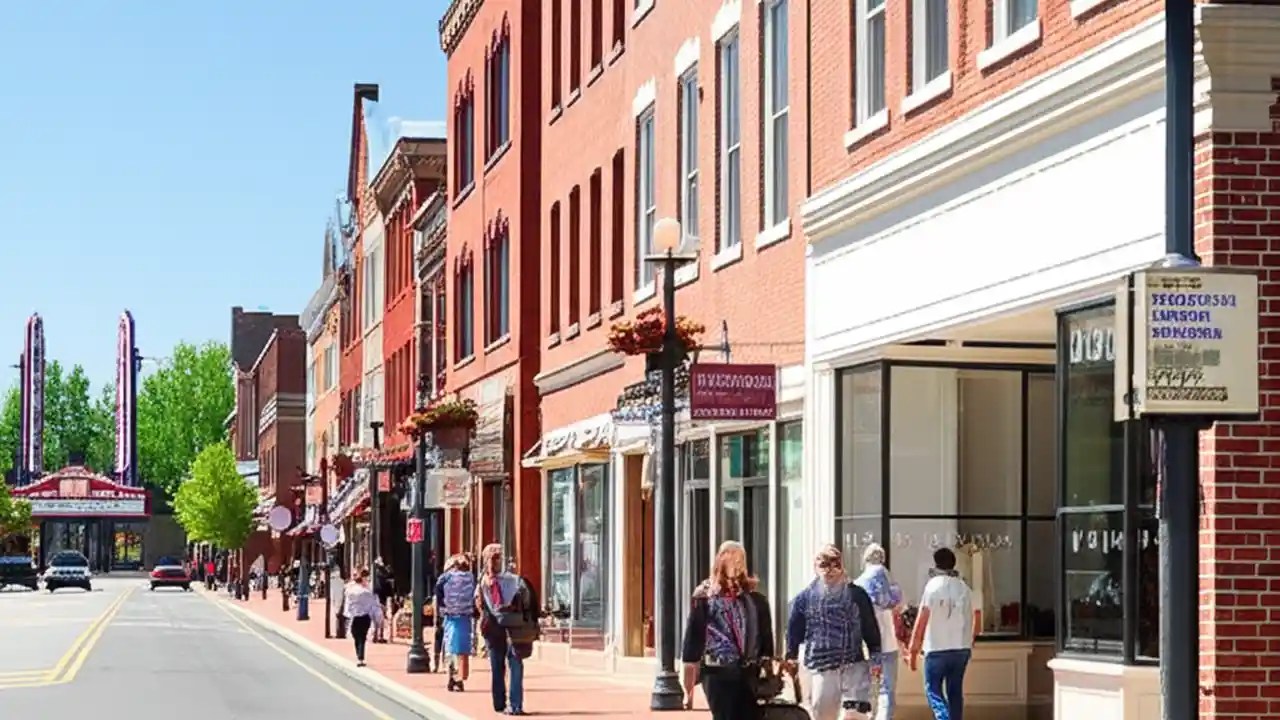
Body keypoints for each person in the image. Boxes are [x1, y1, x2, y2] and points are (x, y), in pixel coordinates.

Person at [783, 545, 881, 720]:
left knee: (855, 716)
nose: (829, 571)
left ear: (841, 567)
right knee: (824, 716)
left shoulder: (857, 595)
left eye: (834, 565)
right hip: (822, 669)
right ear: (815, 568)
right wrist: (790, 657)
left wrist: (875, 656)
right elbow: (793, 630)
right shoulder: (804, 598)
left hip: (854, 665)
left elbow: (869, 626)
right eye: (824, 565)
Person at [680, 540, 775, 720]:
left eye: (739, 560)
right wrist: (688, 689)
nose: (735, 565)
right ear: (719, 562)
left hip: (748, 672)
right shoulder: (704, 597)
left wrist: (768, 668)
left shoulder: (755, 599)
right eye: (730, 558)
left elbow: (766, 638)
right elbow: (692, 640)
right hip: (717, 671)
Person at [907, 548, 981, 720]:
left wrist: (913, 650)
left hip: (936, 648)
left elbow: (922, 620)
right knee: (955, 691)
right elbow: (977, 616)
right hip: (961, 648)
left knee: (933, 690)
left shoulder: (932, 586)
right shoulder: (964, 587)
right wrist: (971, 639)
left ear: (936, 564)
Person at [476, 543, 539, 716]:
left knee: (497, 667)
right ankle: (516, 705)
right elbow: (527, 601)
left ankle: (499, 703)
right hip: (514, 628)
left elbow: (481, 605)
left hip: (493, 628)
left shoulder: (484, 581)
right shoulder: (514, 580)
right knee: (516, 664)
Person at [854, 543, 904, 720]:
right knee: (886, 690)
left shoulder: (857, 583)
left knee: (863, 689)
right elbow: (893, 602)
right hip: (886, 642)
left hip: (864, 645)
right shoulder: (884, 576)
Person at [436, 554, 477, 691]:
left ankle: (452, 676)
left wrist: (442, 606)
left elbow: (438, 589)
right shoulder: (471, 578)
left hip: (451, 615)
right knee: (463, 650)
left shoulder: (446, 577)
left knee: (450, 647)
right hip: (465, 617)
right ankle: (460, 677)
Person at [343, 567, 384, 667]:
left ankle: (360, 657)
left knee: (357, 636)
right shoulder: (367, 591)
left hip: (357, 617)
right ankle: (360, 657)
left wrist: (347, 614)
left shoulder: (353, 591)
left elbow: (348, 603)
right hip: (365, 617)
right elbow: (374, 605)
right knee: (362, 637)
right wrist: (377, 618)